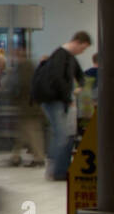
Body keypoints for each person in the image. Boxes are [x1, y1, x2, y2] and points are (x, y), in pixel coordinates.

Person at [34, 30, 91, 181]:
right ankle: (55, 171)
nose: (82, 51)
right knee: (61, 135)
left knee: (63, 135)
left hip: (60, 101)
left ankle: (58, 170)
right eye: (83, 48)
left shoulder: (70, 57)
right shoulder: (60, 55)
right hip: (54, 101)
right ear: (78, 42)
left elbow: (80, 75)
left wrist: (79, 87)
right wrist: (68, 97)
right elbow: (58, 79)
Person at [0, 47, 46, 167]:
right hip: (27, 107)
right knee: (22, 133)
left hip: (28, 107)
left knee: (31, 133)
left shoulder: (25, 67)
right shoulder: (28, 66)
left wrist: (12, 95)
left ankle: (39, 158)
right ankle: (15, 157)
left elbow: (23, 85)